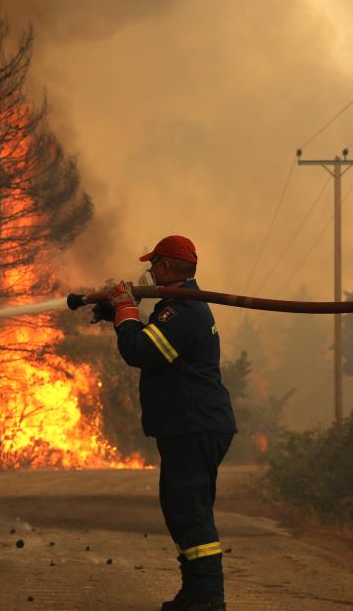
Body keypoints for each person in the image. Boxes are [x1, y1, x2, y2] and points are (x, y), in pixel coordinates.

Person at [93, 235, 237, 611]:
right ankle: (195, 593)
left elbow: (141, 351)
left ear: (169, 267)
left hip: (195, 425)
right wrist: (118, 315)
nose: (150, 272)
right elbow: (150, 340)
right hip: (190, 424)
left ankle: (208, 598)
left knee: (188, 510)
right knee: (181, 508)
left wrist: (125, 311)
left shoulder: (183, 312)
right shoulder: (179, 306)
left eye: (155, 265)